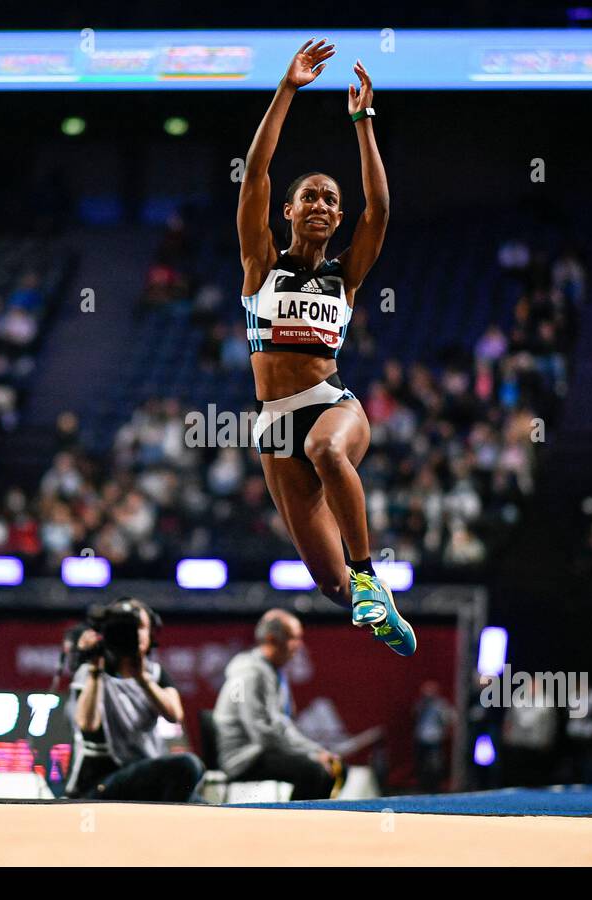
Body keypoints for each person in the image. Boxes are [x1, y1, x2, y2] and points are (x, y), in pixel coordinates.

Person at [236, 38, 415, 656]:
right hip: (275, 427)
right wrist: (287, 89)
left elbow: (382, 209)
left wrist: (364, 123)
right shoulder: (260, 264)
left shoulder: (346, 275)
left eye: (331, 200)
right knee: (328, 584)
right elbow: (254, 172)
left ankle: (370, 573)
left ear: (338, 219)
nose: (320, 204)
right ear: (287, 210)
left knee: (325, 449)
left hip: (331, 405)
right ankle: (368, 597)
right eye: (309, 195)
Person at [65, 599, 203, 801]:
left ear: (151, 633)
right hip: (99, 783)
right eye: (125, 629)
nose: (134, 634)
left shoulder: (154, 674)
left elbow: (174, 714)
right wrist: (95, 669)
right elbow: (87, 725)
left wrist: (142, 679)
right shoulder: (90, 672)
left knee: (205, 807)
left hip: (146, 775)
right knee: (187, 765)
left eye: (140, 627)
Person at [213, 609, 340, 800]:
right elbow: (262, 733)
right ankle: (294, 827)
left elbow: (282, 728)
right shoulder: (252, 674)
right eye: (293, 638)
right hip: (245, 757)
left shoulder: (274, 673)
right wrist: (312, 755)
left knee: (333, 768)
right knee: (315, 771)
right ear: (272, 639)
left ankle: (311, 825)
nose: (299, 645)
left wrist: (316, 751)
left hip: (262, 751)